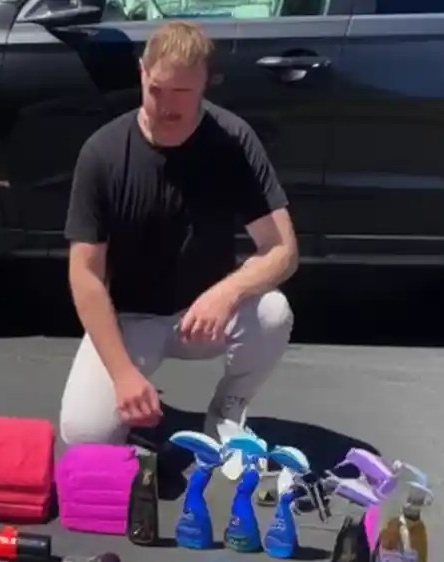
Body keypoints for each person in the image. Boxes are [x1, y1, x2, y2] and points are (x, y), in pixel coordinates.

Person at [58, 19, 300, 450]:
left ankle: (228, 408)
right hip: (129, 320)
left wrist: (226, 293)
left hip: (204, 317)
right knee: (84, 436)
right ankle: (133, 395)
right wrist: (123, 374)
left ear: (207, 85)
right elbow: (85, 276)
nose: (166, 107)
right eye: (156, 90)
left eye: (182, 94)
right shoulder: (103, 152)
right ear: (141, 74)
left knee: (273, 313)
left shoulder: (233, 141)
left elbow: (282, 251)